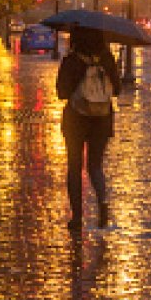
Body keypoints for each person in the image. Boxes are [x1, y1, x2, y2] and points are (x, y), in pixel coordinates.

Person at [56, 27, 122, 231]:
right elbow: (117, 90)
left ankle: (77, 217)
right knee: (95, 166)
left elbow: (61, 92)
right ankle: (103, 205)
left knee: (74, 167)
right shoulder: (107, 59)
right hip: (102, 119)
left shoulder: (72, 60)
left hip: (76, 118)